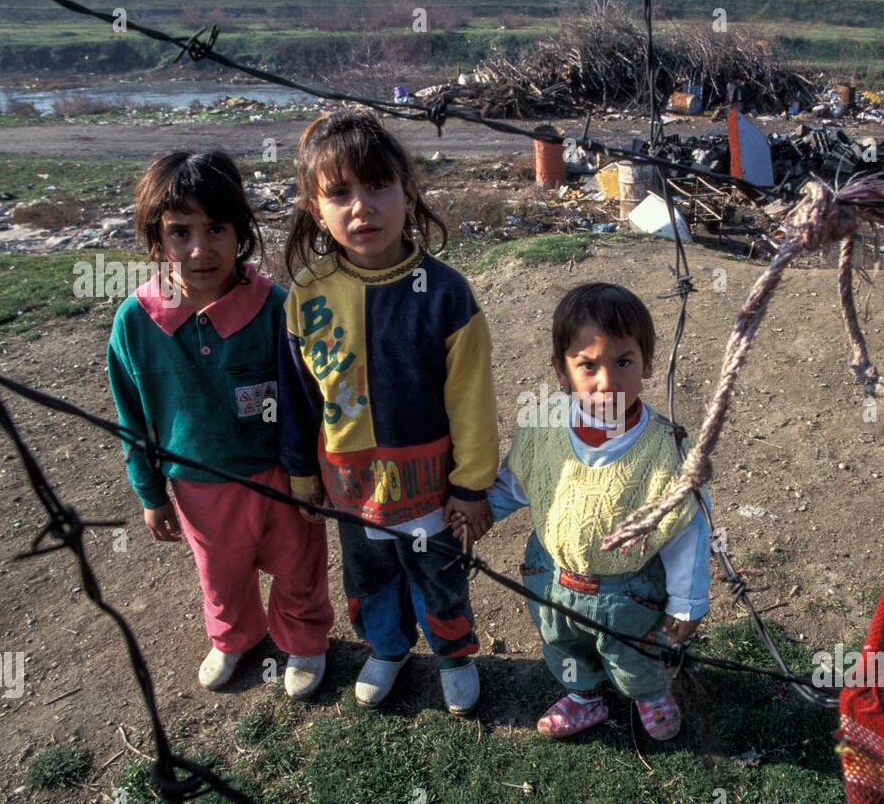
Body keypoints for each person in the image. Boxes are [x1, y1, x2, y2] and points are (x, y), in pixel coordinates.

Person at [278, 110, 498, 716]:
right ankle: (388, 648)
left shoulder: (447, 294)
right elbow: (297, 398)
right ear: (314, 207)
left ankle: (455, 657)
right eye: (340, 193)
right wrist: (301, 477)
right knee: (370, 577)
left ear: (408, 190)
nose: (361, 208)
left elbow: (472, 401)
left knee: (440, 579)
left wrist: (472, 485)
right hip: (349, 487)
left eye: (377, 186)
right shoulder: (306, 295)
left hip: (431, 493)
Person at [107, 151, 335, 699]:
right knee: (221, 576)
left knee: (299, 567)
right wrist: (149, 491)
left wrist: (314, 474)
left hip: (281, 478)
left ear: (242, 232)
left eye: (216, 229)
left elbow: (310, 401)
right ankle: (235, 636)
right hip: (199, 487)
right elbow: (130, 415)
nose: (200, 249)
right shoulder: (136, 321)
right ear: (156, 238)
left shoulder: (277, 309)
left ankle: (305, 642)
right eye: (180, 231)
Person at [485, 283, 711, 741]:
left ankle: (649, 694)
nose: (606, 382)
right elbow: (521, 481)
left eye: (622, 362)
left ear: (647, 363)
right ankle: (584, 696)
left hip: (629, 589)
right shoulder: (544, 426)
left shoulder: (667, 452)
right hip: (550, 575)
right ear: (561, 369)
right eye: (588, 366)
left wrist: (688, 602)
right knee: (560, 642)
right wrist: (480, 512)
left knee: (632, 653)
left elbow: (688, 531)